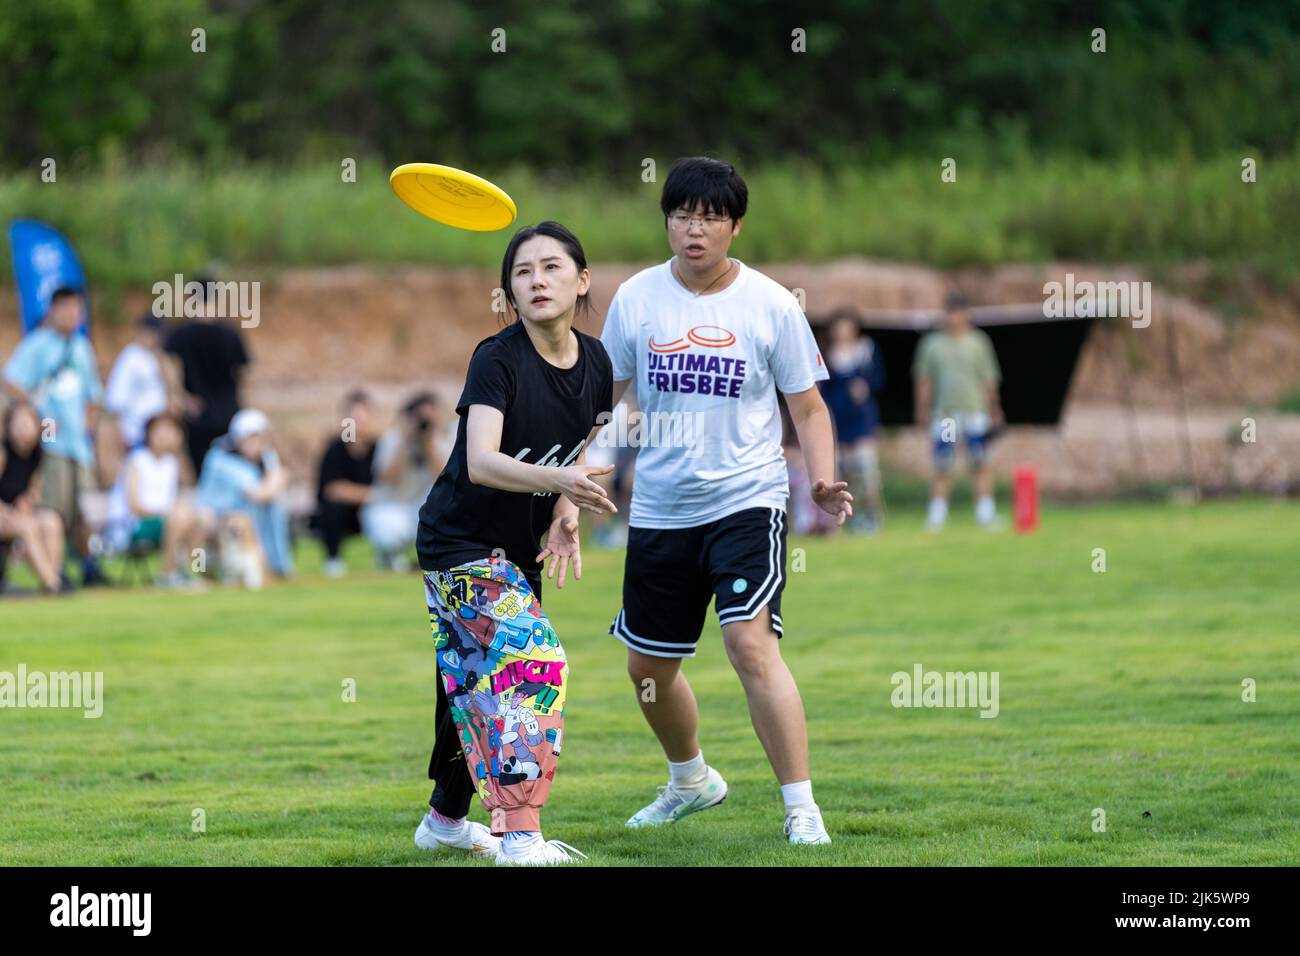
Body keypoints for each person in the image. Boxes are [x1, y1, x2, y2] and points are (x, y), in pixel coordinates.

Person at [599, 157, 852, 845]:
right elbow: (603, 401)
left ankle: (801, 807)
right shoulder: (636, 298)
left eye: (710, 217)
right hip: (659, 507)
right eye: (682, 215)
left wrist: (823, 480)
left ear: (735, 226)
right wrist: (577, 478)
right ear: (668, 221)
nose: (694, 229)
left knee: (749, 642)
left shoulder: (771, 304)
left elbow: (809, 405)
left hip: (748, 498)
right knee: (647, 668)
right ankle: (691, 781)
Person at [414, 221, 613, 866]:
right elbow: (481, 461)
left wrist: (564, 509)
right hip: (458, 541)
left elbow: (581, 445)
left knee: (471, 681)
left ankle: (445, 821)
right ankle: (519, 835)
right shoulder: (497, 358)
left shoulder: (597, 363)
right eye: (522, 273)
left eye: (552, 268)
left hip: (514, 549)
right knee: (535, 663)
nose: (537, 281)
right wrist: (559, 479)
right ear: (510, 292)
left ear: (581, 281)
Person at [1, 286, 108, 585]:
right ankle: (54, 569)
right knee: (52, 507)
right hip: (51, 438)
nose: (72, 314)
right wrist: (38, 412)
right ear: (53, 311)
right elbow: (10, 379)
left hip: (79, 443)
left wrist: (88, 423)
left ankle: (89, 566)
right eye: (66, 308)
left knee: (84, 508)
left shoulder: (81, 348)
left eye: (77, 308)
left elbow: (92, 395)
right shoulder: (38, 344)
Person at [913, 291, 1003, 531]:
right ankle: (937, 515)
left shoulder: (978, 342)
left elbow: (989, 379)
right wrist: (922, 410)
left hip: (975, 412)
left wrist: (995, 409)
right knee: (943, 464)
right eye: (950, 312)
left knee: (981, 462)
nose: (954, 317)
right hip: (946, 414)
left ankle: (985, 513)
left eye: (959, 311)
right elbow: (924, 380)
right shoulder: (932, 344)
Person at [106, 413, 210, 588]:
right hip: (137, 524)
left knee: (204, 518)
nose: (166, 436)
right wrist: (168, 512)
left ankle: (192, 570)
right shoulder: (137, 460)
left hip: (169, 520)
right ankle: (166, 574)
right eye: (160, 431)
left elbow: (183, 491)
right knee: (178, 518)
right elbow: (134, 505)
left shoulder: (172, 463)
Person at [163, 277, 251, 476]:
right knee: (230, 471)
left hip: (196, 414)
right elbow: (243, 372)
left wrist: (181, 397)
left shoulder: (181, 333)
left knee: (201, 473)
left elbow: (167, 365)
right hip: (228, 412)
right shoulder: (230, 333)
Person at [195, 408, 293, 583]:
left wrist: (277, 479)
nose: (258, 443)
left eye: (260, 437)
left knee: (273, 511)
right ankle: (198, 573)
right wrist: (277, 478)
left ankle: (278, 568)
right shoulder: (221, 458)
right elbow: (258, 493)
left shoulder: (265, 456)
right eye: (252, 438)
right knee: (219, 522)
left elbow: (275, 485)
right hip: (215, 519)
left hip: (250, 519)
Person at [361, 390, 447, 571]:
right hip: (391, 505)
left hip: (421, 506)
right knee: (388, 532)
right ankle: (389, 556)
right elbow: (387, 478)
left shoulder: (439, 442)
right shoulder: (392, 440)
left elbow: (445, 480)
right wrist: (406, 442)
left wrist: (428, 445)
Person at [820, 314, 887, 532]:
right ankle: (845, 519)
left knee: (867, 471)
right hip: (838, 421)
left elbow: (879, 379)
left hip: (862, 421)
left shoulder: (866, 350)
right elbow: (824, 391)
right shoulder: (827, 355)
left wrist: (864, 387)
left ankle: (873, 516)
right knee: (844, 475)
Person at [0, 400, 69, 594]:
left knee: (51, 521)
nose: (24, 428)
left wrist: (28, 501)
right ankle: (53, 584)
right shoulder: (3, 453)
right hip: (4, 514)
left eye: (29, 422)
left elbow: (34, 490)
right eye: (19, 423)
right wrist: (8, 512)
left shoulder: (38, 454)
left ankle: (53, 574)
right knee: (28, 527)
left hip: (19, 513)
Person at [315, 390, 379, 577]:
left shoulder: (379, 448)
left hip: (371, 512)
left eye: (363, 417)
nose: (359, 423)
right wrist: (369, 495)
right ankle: (333, 559)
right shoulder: (335, 450)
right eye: (354, 418)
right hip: (345, 514)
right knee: (332, 507)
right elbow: (332, 489)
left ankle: (388, 555)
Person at [105, 312, 170, 452]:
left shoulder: (155, 357)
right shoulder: (130, 356)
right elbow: (117, 396)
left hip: (155, 431)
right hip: (134, 430)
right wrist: (121, 431)